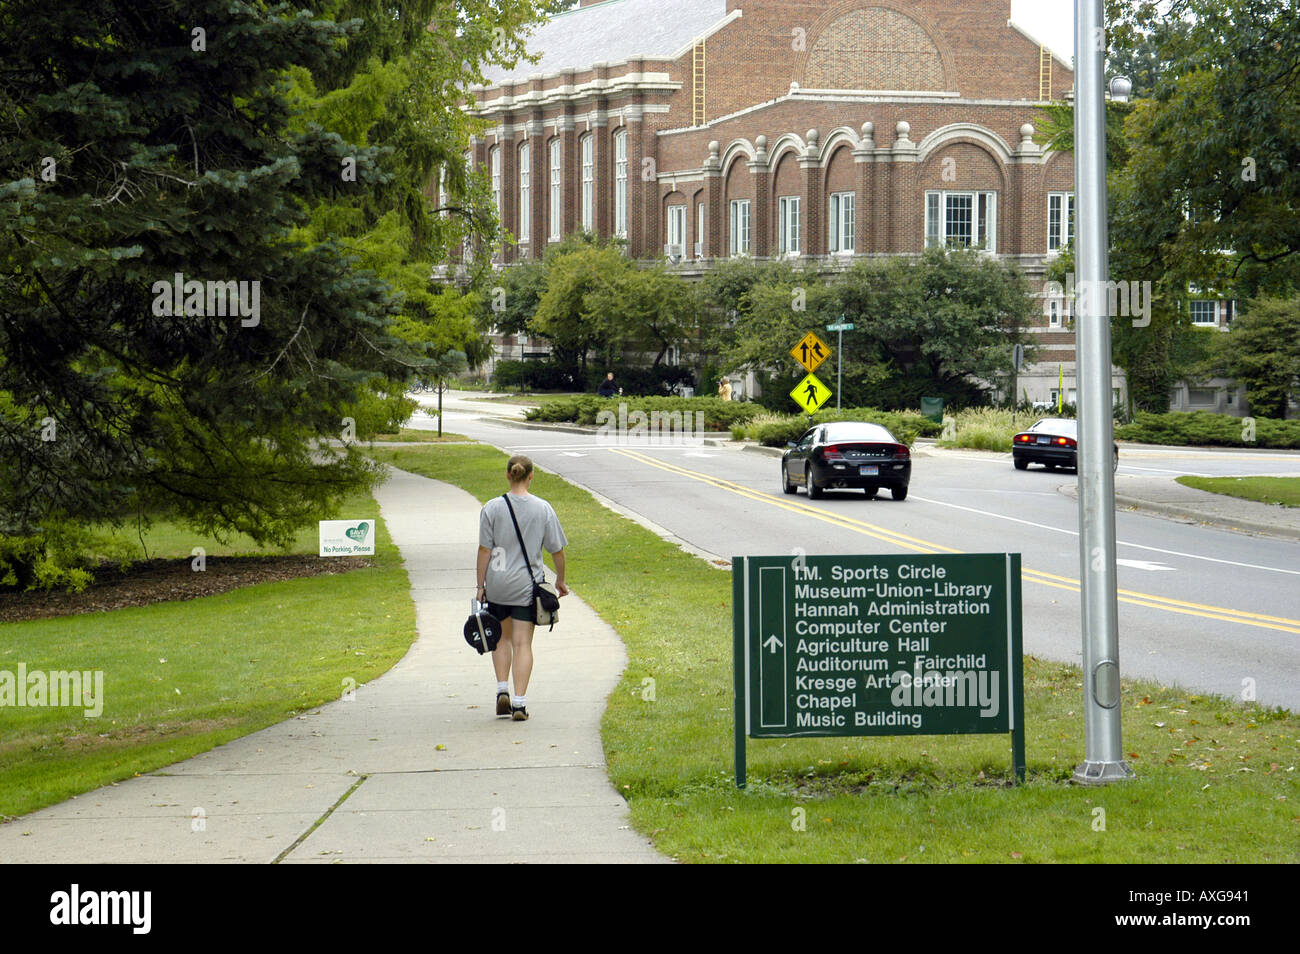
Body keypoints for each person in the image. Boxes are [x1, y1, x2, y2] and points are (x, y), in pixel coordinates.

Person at [476, 455, 569, 721]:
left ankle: (501, 690)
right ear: (531, 476)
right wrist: (560, 580)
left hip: (497, 584)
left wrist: (480, 585)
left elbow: (484, 550)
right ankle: (519, 703)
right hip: (526, 587)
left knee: (501, 639)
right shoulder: (543, 509)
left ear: (507, 475)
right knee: (522, 642)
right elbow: (557, 550)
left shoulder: (492, 508)